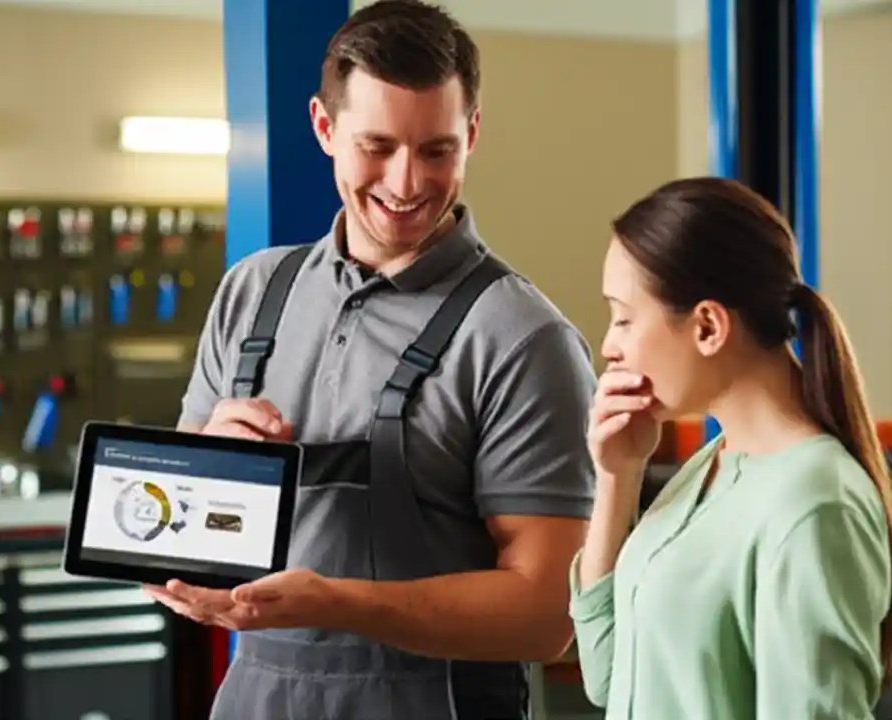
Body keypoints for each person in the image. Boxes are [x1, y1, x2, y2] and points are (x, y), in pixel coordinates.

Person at [145, 1, 597, 718]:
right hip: (257, 697)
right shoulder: (252, 292)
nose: (407, 182)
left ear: (473, 133)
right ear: (324, 127)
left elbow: (545, 617)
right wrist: (212, 469)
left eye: (437, 150)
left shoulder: (521, 337)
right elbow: (177, 539)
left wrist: (336, 604)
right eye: (377, 146)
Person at [570, 176, 892, 719]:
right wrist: (618, 476)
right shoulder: (711, 467)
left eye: (625, 318)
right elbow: (606, 676)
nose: (610, 346)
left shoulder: (814, 503)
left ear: (708, 326)